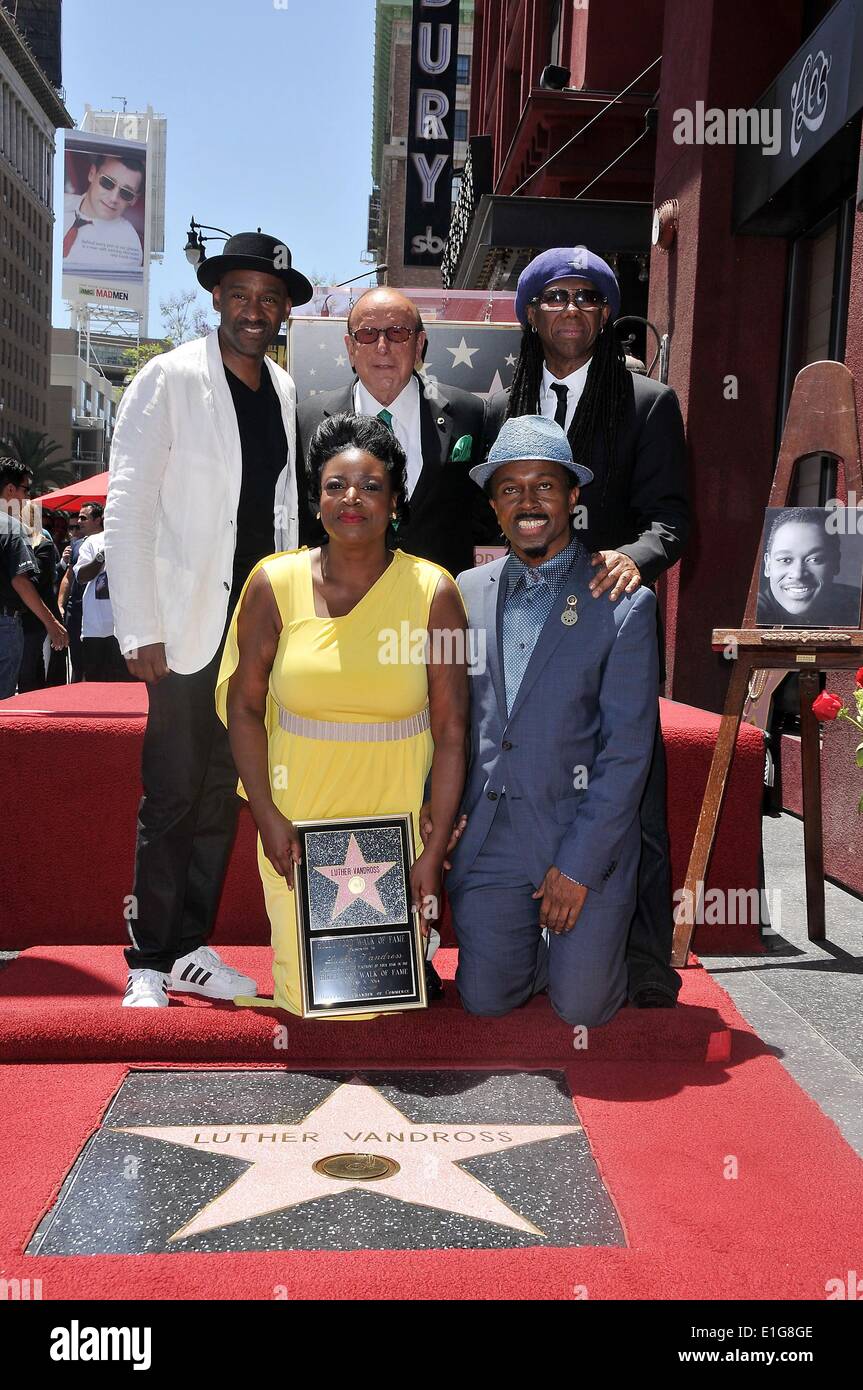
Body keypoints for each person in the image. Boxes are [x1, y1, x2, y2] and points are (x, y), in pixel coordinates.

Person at [104, 229, 313, 1009]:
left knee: (226, 786)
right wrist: (138, 625)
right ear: (216, 299)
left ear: (281, 312)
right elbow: (126, 511)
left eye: (269, 300)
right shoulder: (167, 380)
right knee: (171, 791)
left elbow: (285, 511)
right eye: (241, 296)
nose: (255, 311)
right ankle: (147, 960)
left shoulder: (285, 393)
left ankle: (190, 946)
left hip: (257, 629)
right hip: (186, 621)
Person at [485, 247, 689, 1008]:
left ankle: (641, 955)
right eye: (553, 296)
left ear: (605, 314)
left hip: (607, 613)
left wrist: (631, 558)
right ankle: (509, 932)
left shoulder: (646, 401)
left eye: (585, 297)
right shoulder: (499, 396)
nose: (569, 309)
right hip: (519, 617)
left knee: (629, 782)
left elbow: (671, 519)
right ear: (530, 313)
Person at [216, 412, 468, 1016]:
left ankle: (419, 956)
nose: (351, 498)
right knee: (306, 1005)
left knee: (385, 1008)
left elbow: (453, 731)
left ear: (396, 501)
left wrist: (431, 853)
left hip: (395, 814)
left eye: (371, 486)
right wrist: (267, 815)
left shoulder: (438, 593)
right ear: (315, 498)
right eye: (335, 485)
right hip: (297, 817)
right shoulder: (271, 583)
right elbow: (245, 707)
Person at [439, 415, 658, 1027]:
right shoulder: (466, 590)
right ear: (494, 503)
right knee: (485, 1001)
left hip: (576, 832)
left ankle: (579, 955)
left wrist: (579, 866)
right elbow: (452, 717)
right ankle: (532, 956)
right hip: (490, 839)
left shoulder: (621, 600)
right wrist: (441, 809)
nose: (528, 502)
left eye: (545, 486)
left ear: (572, 496)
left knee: (581, 1008)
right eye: (511, 488)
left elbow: (627, 752)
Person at [296, 287, 497, 577]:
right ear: (350, 348)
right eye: (367, 334)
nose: (382, 346)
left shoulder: (471, 414)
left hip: (436, 606)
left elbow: (487, 518)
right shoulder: (307, 419)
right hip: (341, 605)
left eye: (397, 333)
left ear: (419, 345)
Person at [0, 461, 68, 698]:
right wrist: (51, 623)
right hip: (5, 623)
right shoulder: (11, 527)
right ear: (10, 490)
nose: (27, 498)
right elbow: (21, 581)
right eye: (25, 490)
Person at [757, 508, 861, 627]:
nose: (798, 574)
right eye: (785, 560)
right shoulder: (755, 612)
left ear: (836, 563)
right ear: (768, 565)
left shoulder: (856, 603)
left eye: (814, 559)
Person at [72, 502, 132, 682]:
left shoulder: (136, 541)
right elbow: (81, 576)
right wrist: (103, 554)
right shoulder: (92, 542)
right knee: (96, 681)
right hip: (96, 629)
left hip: (128, 629)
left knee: (128, 680)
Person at [62, 153, 145, 274]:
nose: (113, 198)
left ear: (133, 200)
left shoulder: (128, 245)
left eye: (126, 193)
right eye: (107, 183)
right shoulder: (58, 203)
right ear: (92, 174)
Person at [17, 500, 63, 691]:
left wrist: (14, 579)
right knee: (32, 667)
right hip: (20, 617)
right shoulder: (16, 543)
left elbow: (37, 580)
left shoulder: (43, 545)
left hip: (36, 618)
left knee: (27, 669)